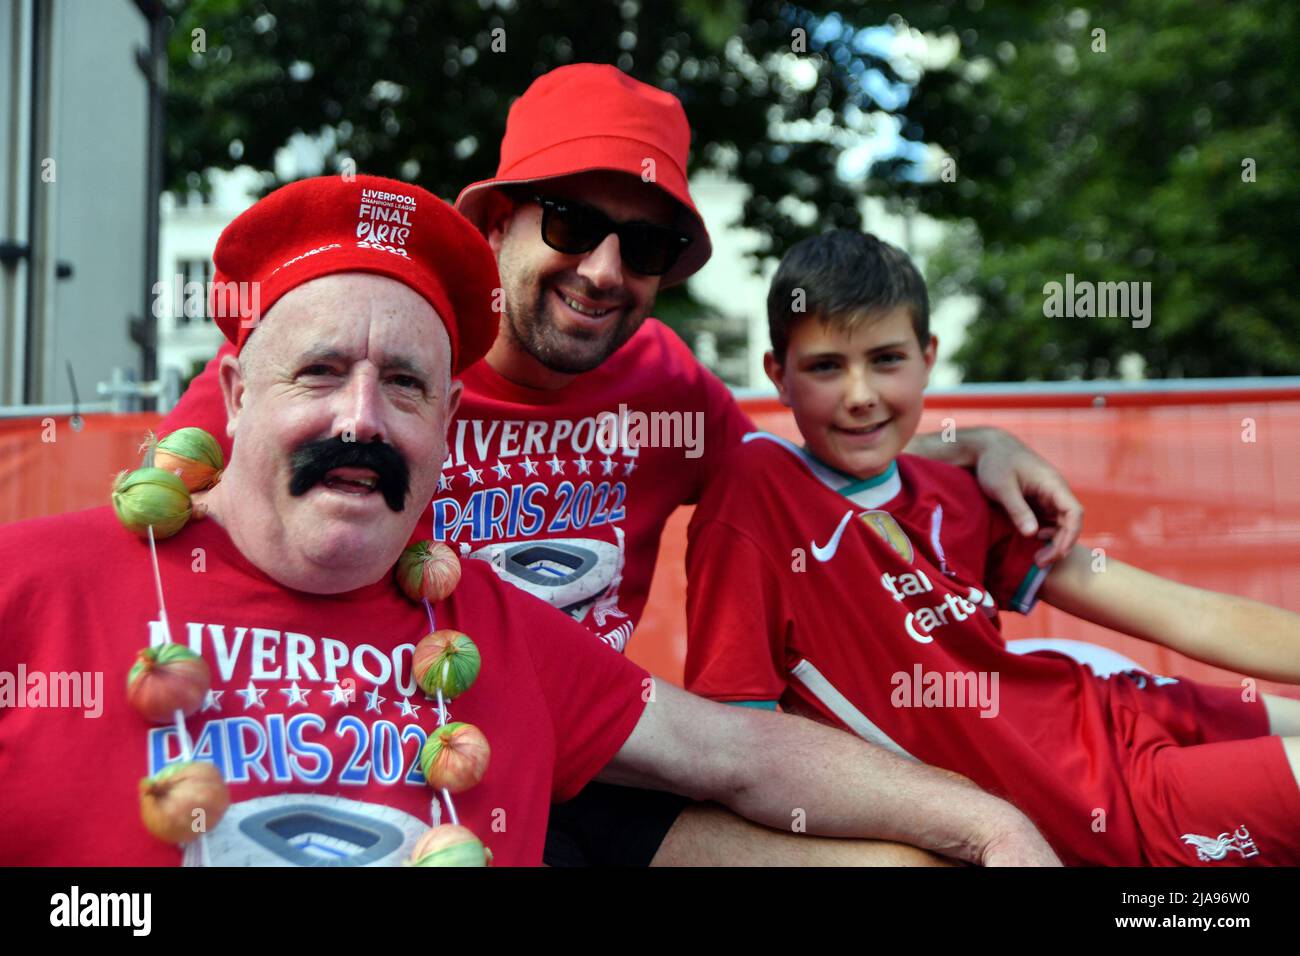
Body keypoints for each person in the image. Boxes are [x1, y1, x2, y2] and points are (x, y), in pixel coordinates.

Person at [155, 64, 1083, 866]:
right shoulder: (385, 356)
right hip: (388, 755)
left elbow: (812, 471)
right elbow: (165, 530)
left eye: (644, 245)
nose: (603, 270)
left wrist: (967, 445)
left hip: (599, 751)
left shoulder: (671, 391)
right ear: (497, 225)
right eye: (569, 221)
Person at [684, 229, 1300, 866]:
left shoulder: (962, 491)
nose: (861, 393)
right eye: (825, 366)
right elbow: (738, 743)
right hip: (1104, 807)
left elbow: (1182, 613)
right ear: (777, 377)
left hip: (1122, 703)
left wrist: (980, 443)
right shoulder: (755, 492)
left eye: (887, 359)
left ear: (929, 356)